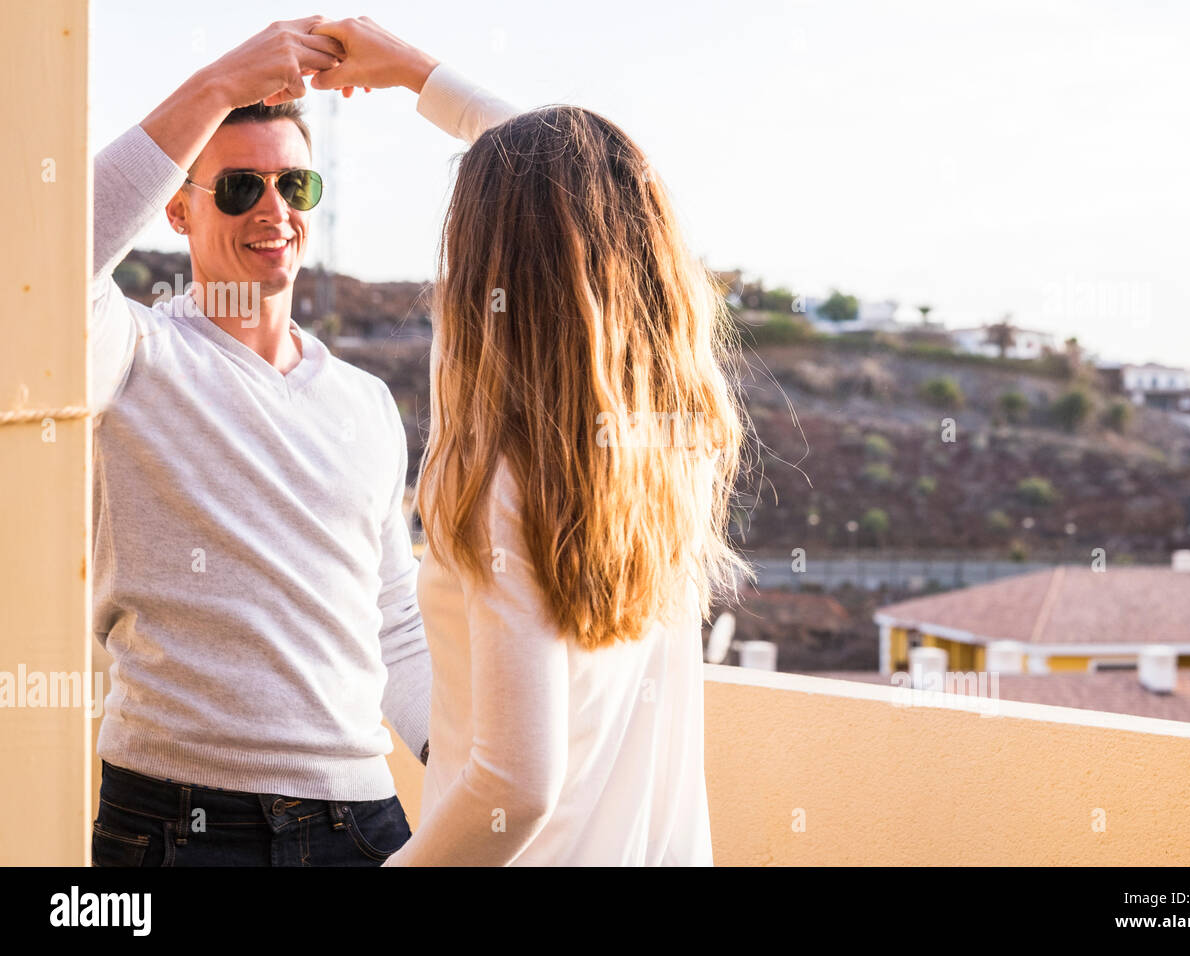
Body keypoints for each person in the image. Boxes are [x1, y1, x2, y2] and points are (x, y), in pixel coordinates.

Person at [307, 17, 754, 865]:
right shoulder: (667, 445)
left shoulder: (503, 478)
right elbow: (588, 189)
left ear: (488, 270)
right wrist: (417, 74)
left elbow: (515, 785)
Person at [88, 17, 498, 866]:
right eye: (238, 188)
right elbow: (40, 261)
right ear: (178, 208)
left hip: (365, 823)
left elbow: (392, 623)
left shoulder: (367, 401)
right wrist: (218, 82)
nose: (272, 210)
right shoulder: (128, 351)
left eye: (294, 187)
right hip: (177, 826)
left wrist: (475, 779)